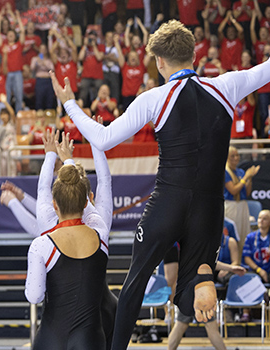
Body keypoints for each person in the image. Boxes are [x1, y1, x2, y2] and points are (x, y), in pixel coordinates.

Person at [50, 20, 270, 350]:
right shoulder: (227, 86)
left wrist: (69, 103)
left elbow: (103, 137)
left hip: (167, 203)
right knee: (186, 297)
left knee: (134, 287)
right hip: (209, 209)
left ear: (159, 62)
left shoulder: (154, 98)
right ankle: (202, 277)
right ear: (195, 55)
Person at [26, 135, 110, 350]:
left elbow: (34, 296)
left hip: (52, 339)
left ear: (54, 205)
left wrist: (50, 154)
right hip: (91, 340)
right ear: (86, 201)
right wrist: (69, 161)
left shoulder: (42, 243)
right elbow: (104, 182)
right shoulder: (100, 233)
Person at [224, 146, 259, 246]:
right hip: (231, 206)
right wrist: (246, 177)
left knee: (244, 235)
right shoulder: (226, 172)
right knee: (234, 236)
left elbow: (247, 193)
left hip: (243, 206)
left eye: (237, 155)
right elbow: (233, 191)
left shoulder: (241, 172)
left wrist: (250, 178)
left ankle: (242, 259)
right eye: (232, 156)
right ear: (227, 158)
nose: (236, 158)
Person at [244, 210, 270, 283]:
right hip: (255, 270)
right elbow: (247, 258)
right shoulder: (250, 237)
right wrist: (259, 270)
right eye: (259, 218)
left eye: (264, 219)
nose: (261, 221)